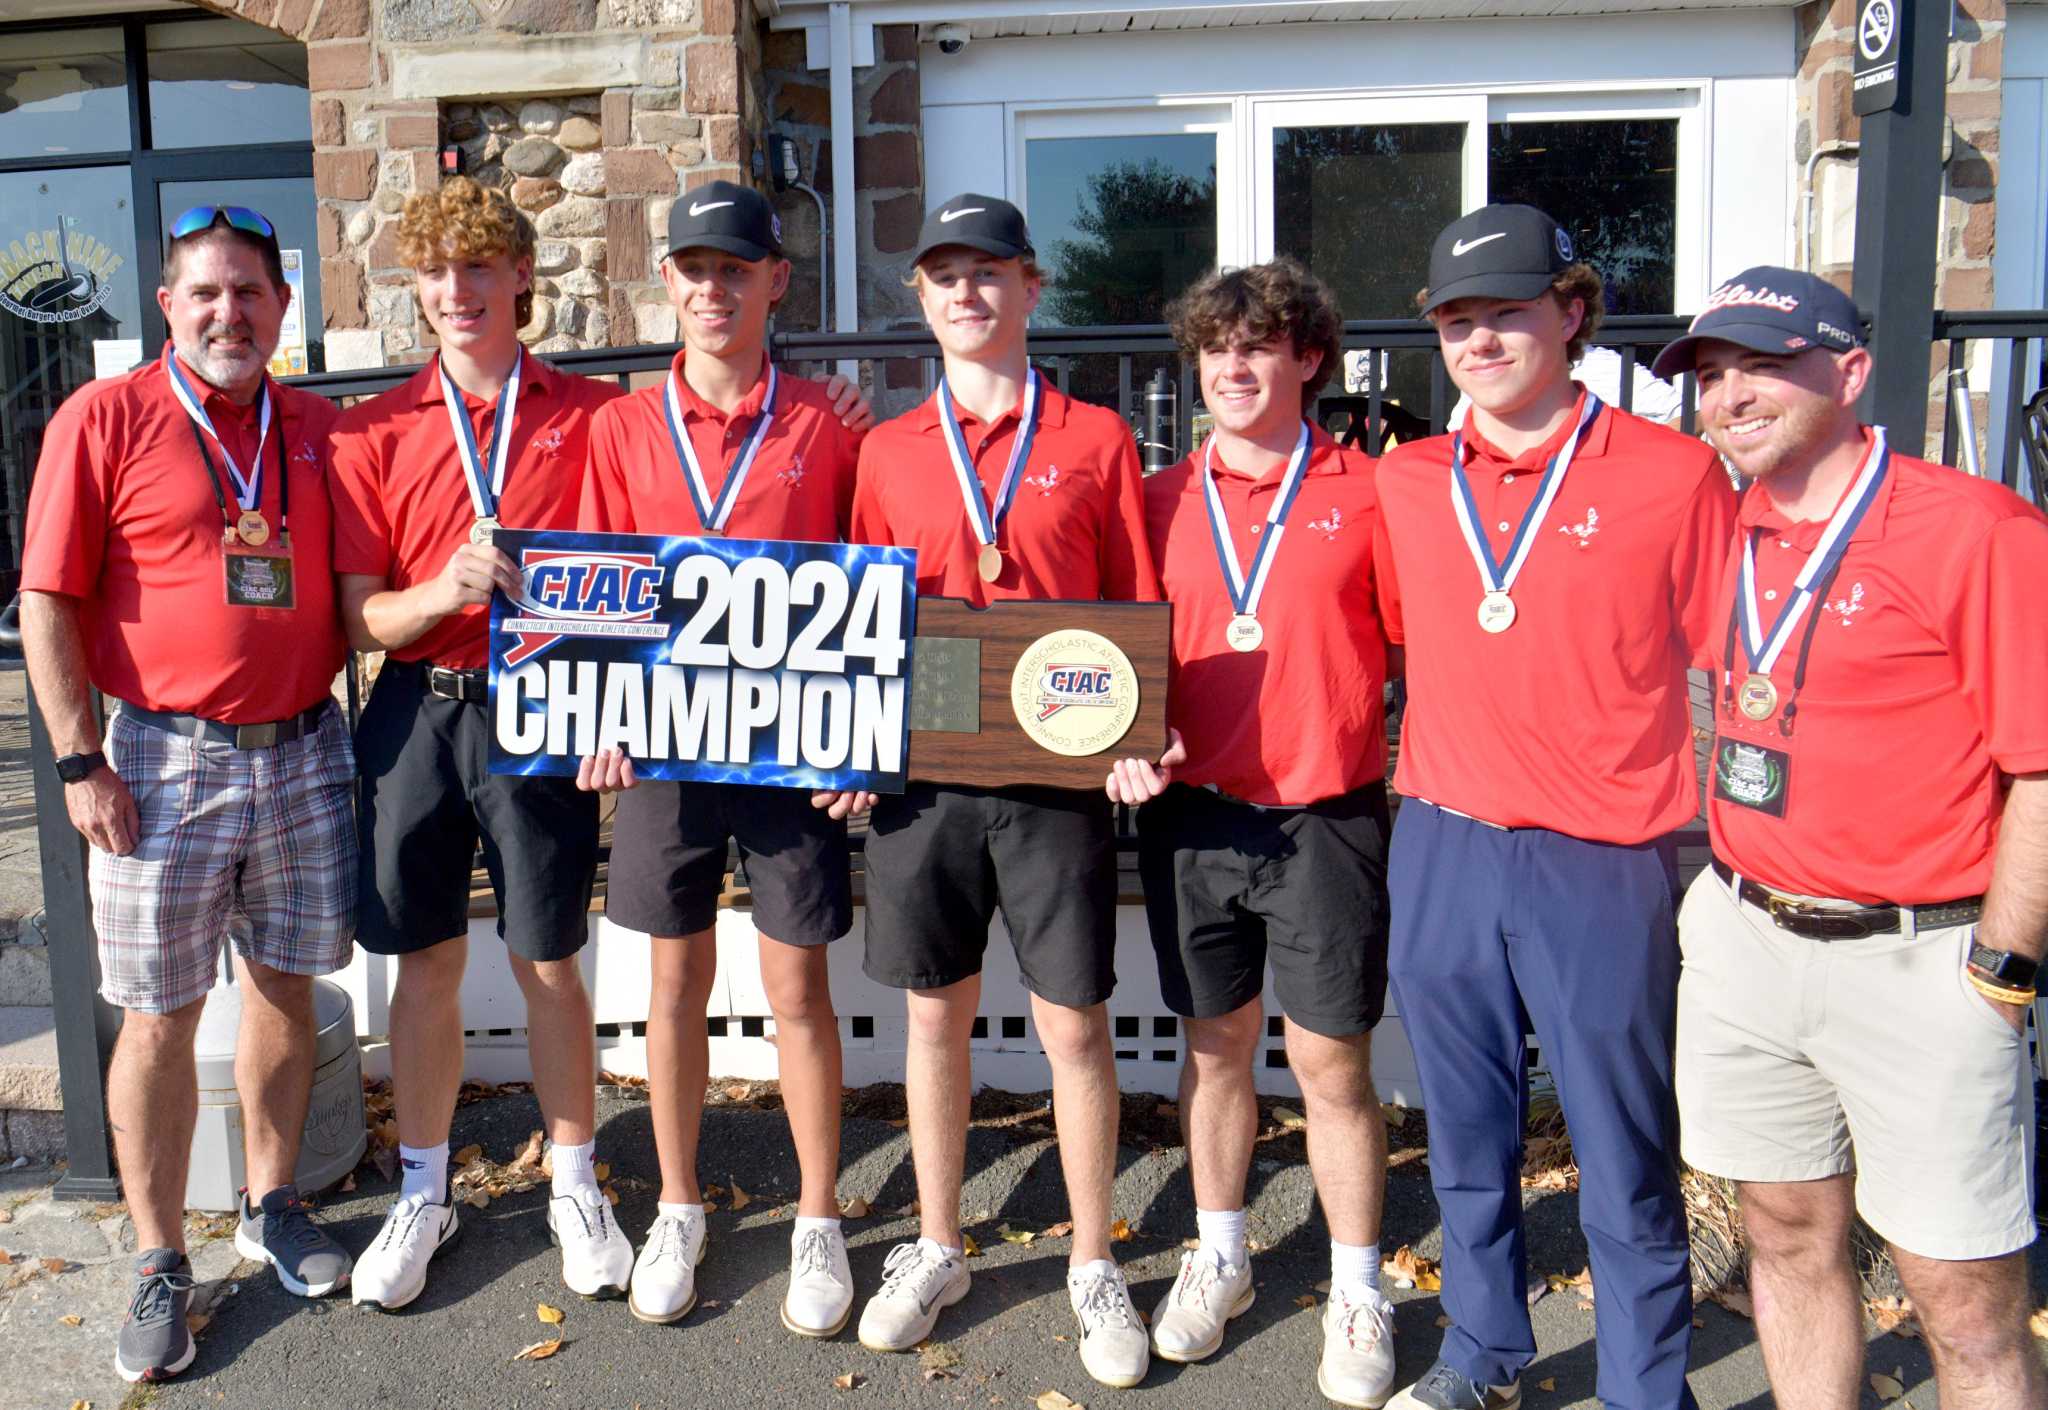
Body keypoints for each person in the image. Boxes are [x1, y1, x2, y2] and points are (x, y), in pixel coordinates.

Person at [1652, 267, 2048, 1410]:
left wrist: (2001, 970)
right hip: (1746, 937)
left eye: (1760, 365)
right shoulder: (1719, 528)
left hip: (1920, 957)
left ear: (1850, 372)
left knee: (1959, 1294)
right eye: (1710, 375)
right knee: (1781, 1234)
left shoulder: (1972, 529)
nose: (1727, 395)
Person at [1371, 204, 1736, 1410]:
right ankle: (1481, 1354)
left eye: (1506, 314)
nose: (1478, 340)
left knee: (1620, 1152)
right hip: (1440, 839)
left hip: (1602, 854)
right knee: (1466, 1143)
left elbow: (1735, 660)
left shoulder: (1671, 472)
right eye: (1456, 320)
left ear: (1570, 314)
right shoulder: (1407, 479)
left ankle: (1644, 1389)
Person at [19, 204, 356, 1382]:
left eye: (251, 293)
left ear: (281, 305)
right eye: (206, 293)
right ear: (168, 304)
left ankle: (273, 1203)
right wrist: (76, 760)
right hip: (159, 761)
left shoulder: (313, 425)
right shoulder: (100, 418)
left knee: (283, 986)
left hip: (308, 748)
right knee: (157, 1017)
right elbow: (49, 600)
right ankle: (161, 1257)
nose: (230, 312)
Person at [845, 194, 1161, 1389]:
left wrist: (1139, 733)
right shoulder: (884, 450)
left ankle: (1090, 1260)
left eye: (988, 273)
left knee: (1073, 1022)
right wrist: (850, 752)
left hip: (1053, 775)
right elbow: (863, 627)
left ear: (1030, 290)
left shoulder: (1094, 438)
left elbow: (1132, 604)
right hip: (927, 773)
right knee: (932, 1015)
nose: (966, 294)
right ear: (921, 301)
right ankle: (937, 1243)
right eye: (943, 277)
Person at [574, 181, 872, 1334]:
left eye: (735, 270)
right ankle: (682, 1206)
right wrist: (600, 714)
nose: (713, 289)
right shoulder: (619, 427)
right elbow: (591, 586)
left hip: (790, 748)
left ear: (774, 281)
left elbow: (868, 583)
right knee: (670, 984)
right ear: (668, 282)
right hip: (661, 747)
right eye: (693, 269)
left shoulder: (828, 420)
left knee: (798, 985)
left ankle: (815, 1218)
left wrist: (859, 739)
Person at [326, 176, 629, 1308]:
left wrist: (612, 715)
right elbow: (362, 620)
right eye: (436, 271)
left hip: (541, 703)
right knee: (424, 963)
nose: (457, 290)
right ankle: (422, 1187)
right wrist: (436, 584)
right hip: (415, 706)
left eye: (479, 267)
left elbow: (629, 584)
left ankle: (575, 1178)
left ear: (519, 280)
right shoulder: (373, 432)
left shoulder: (593, 414)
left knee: (548, 957)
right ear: (417, 288)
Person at [1106, 259, 1398, 1408]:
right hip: (1194, 814)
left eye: (1257, 347)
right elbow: (1112, 657)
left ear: (1306, 360)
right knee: (1216, 1048)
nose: (1231, 368)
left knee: (1330, 1063)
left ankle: (1357, 1284)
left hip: (1325, 816)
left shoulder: (1372, 491)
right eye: (1215, 348)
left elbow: (1422, 649)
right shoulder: (1155, 497)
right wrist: (1121, 738)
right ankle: (1220, 1250)